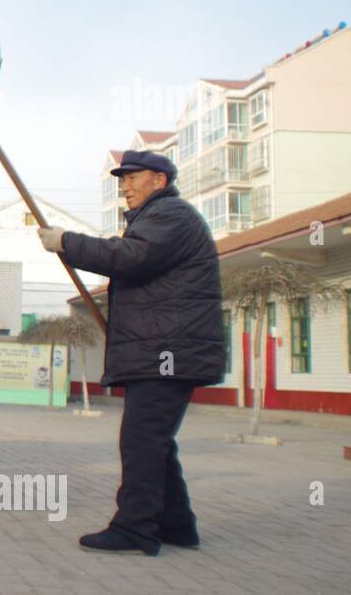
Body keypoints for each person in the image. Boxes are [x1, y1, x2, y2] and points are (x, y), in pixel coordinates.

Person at [39, 149, 224, 556]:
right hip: (162, 351)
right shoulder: (158, 219)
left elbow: (130, 257)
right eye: (121, 179)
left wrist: (67, 241)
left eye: (132, 177)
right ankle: (176, 524)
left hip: (167, 353)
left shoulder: (170, 216)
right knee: (154, 440)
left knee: (141, 439)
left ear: (159, 179)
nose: (124, 185)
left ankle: (136, 528)